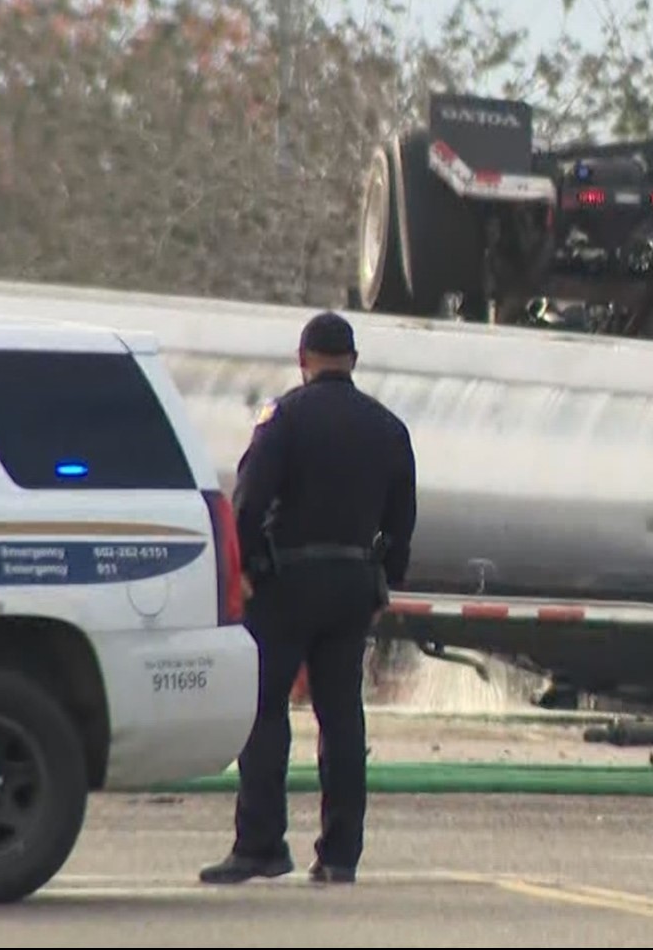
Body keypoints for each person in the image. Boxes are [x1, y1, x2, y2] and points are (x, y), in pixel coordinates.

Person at [200, 311, 418, 887]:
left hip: (288, 583)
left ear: (303, 361)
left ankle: (261, 845)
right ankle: (341, 853)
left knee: (265, 709)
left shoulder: (285, 419)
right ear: (353, 361)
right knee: (342, 716)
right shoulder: (388, 427)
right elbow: (402, 516)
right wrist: (384, 580)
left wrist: (241, 570)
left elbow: (248, 501)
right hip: (352, 584)